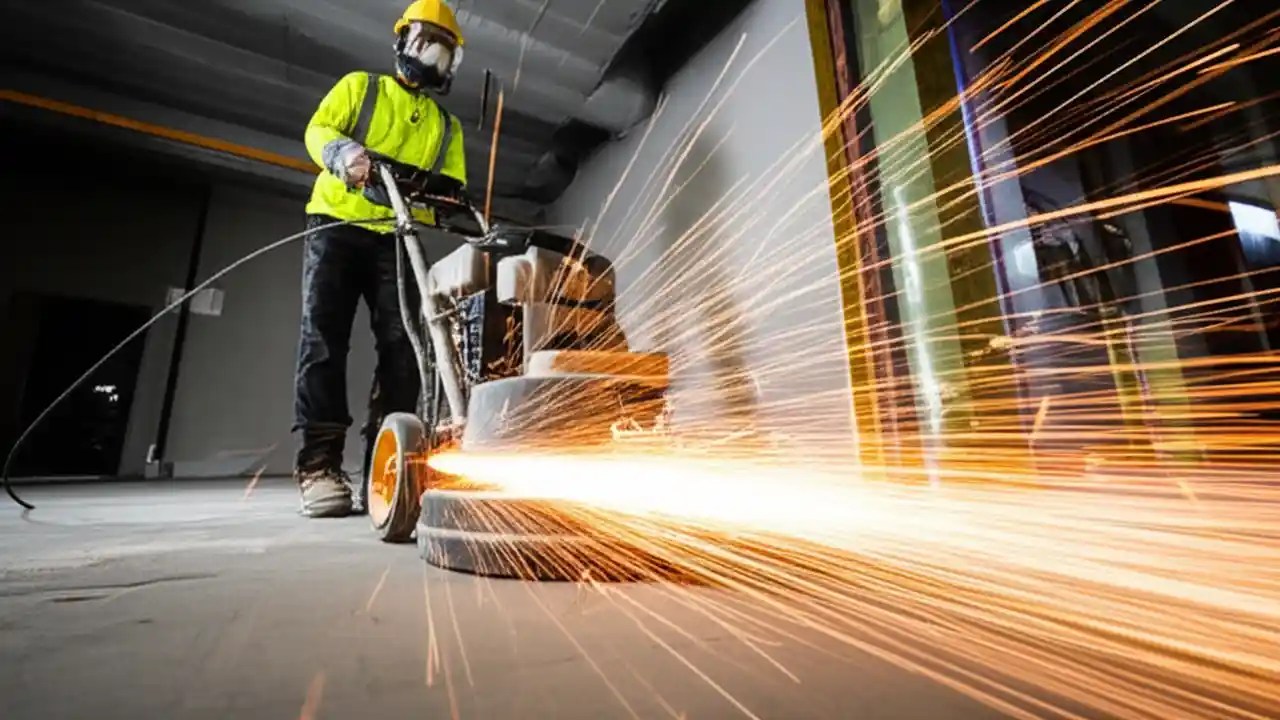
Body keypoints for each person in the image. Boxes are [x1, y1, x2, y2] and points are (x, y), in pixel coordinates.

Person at [292, 0, 468, 517]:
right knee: (324, 339)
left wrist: (442, 201)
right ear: (402, 41)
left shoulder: (446, 127)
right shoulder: (359, 88)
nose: (429, 56)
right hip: (336, 226)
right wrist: (344, 155)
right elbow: (317, 131)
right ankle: (319, 464)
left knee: (406, 345)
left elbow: (450, 194)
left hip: (396, 235)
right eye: (422, 43)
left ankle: (387, 461)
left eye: (440, 50)